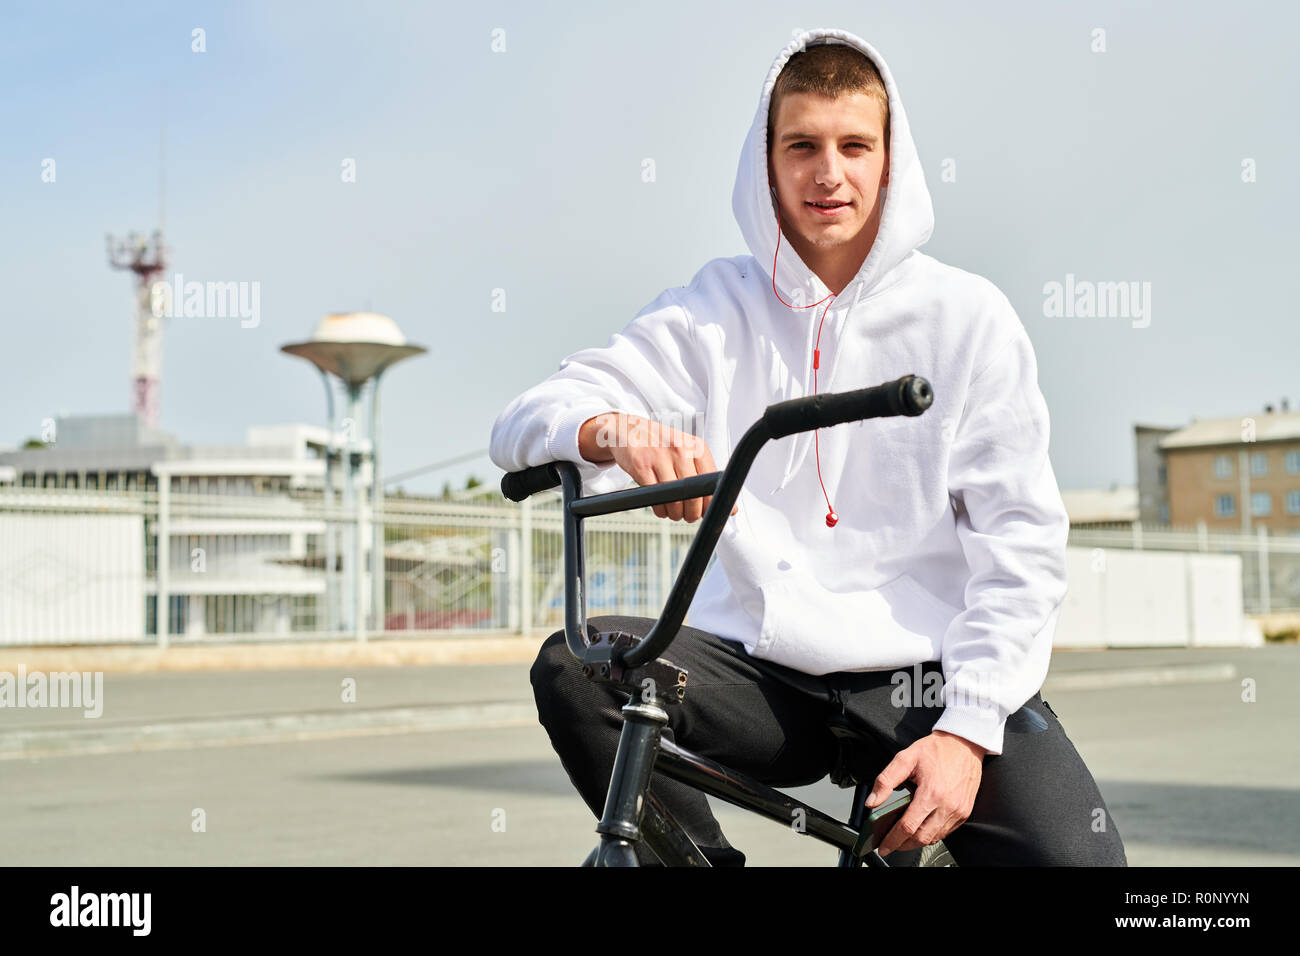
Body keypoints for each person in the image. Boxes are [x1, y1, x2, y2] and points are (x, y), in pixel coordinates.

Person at [489, 27, 1126, 866]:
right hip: (765, 675)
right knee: (578, 669)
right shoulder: (714, 308)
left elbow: (1024, 546)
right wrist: (613, 428)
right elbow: (524, 419)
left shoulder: (969, 319)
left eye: (854, 145)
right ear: (768, 159)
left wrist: (967, 733)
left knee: (1082, 862)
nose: (829, 172)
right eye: (802, 146)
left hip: (924, 680)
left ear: (890, 160)